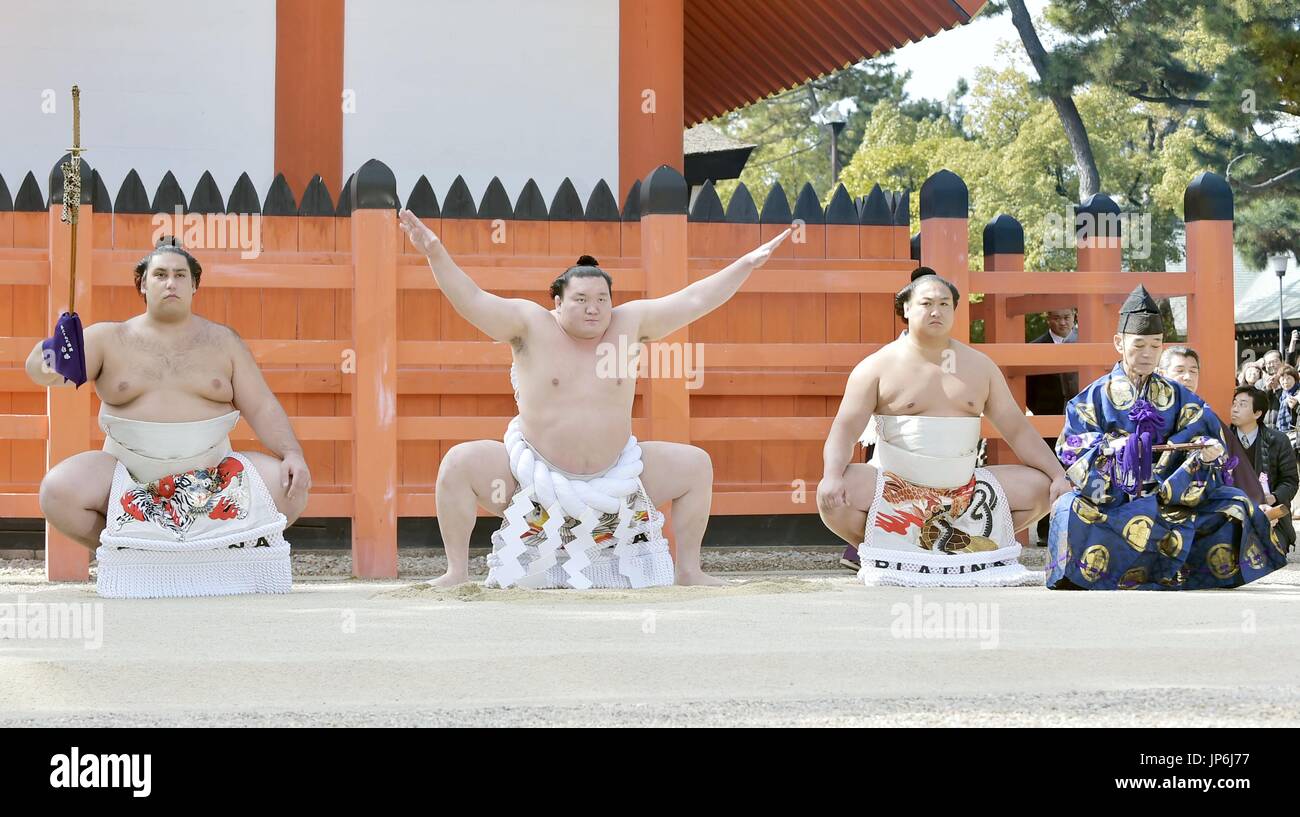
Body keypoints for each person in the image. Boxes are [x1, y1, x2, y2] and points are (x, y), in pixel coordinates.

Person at [399, 209, 790, 589]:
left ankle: (689, 569)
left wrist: (747, 264)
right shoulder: (528, 324)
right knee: (459, 462)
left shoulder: (630, 324)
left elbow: (694, 300)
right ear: (557, 301)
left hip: (618, 480)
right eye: (581, 299)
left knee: (695, 466)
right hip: (532, 478)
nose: (593, 308)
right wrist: (435, 252)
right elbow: (471, 299)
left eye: (602, 299)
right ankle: (456, 572)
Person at [27, 237, 309, 597]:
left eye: (180, 275)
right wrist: (52, 352)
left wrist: (292, 453)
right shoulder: (108, 337)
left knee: (291, 487)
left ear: (194, 285)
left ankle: (208, 554)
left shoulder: (224, 342)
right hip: (128, 475)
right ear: (143, 284)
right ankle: (138, 552)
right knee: (57, 492)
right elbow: (40, 371)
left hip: (214, 475)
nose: (170, 282)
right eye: (159, 274)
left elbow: (262, 406)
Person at [817, 267, 1066, 587]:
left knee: (1042, 486)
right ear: (905, 308)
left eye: (945, 304)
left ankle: (963, 549)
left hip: (966, 493)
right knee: (839, 492)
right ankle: (898, 547)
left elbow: (1017, 429)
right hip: (897, 489)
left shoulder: (980, 366)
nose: (936, 310)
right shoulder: (876, 366)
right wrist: (831, 475)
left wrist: (1059, 474)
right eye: (926, 303)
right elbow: (844, 429)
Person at [1046, 285, 1288, 590]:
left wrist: (1206, 456)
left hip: (1171, 494)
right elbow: (1072, 447)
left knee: (1237, 505)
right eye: (1139, 345)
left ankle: (1193, 574)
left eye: (1156, 345)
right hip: (1112, 498)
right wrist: (1111, 448)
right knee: (1068, 508)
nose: (1148, 354)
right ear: (1119, 343)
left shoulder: (1180, 396)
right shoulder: (1092, 397)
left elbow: (1209, 439)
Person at [1026, 307, 1079, 544]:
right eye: (1057, 318)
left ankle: (1078, 528)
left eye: (1067, 317)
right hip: (1046, 417)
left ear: (1074, 317)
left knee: (1080, 472)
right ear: (1048, 319)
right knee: (1050, 473)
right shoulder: (1035, 346)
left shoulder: (1084, 341)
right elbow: (1029, 388)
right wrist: (1040, 412)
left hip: (1079, 420)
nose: (1062, 323)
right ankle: (1046, 532)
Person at [1229, 386, 1297, 551]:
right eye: (1234, 403)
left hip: (1269, 514)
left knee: (1267, 549)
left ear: (1257, 413)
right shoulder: (1223, 438)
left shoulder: (1278, 440)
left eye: (1243, 404)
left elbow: (1290, 481)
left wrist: (1273, 497)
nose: (1235, 409)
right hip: (1230, 513)